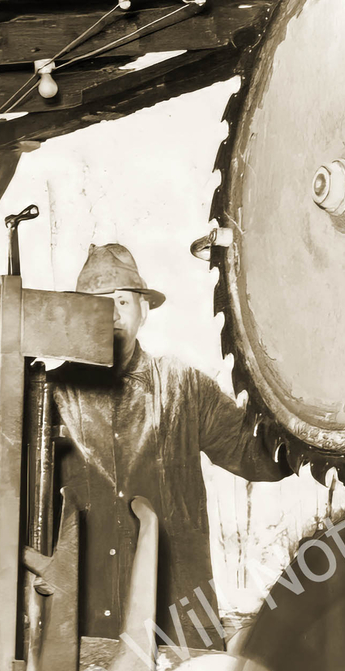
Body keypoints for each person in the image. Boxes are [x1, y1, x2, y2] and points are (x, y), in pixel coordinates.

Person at [48, 244, 290, 649]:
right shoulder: (49, 398)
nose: (112, 314)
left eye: (123, 301)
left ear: (144, 310)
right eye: (98, 303)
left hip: (176, 631)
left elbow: (258, 455)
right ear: (77, 314)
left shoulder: (185, 388)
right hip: (79, 633)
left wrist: (323, 437)